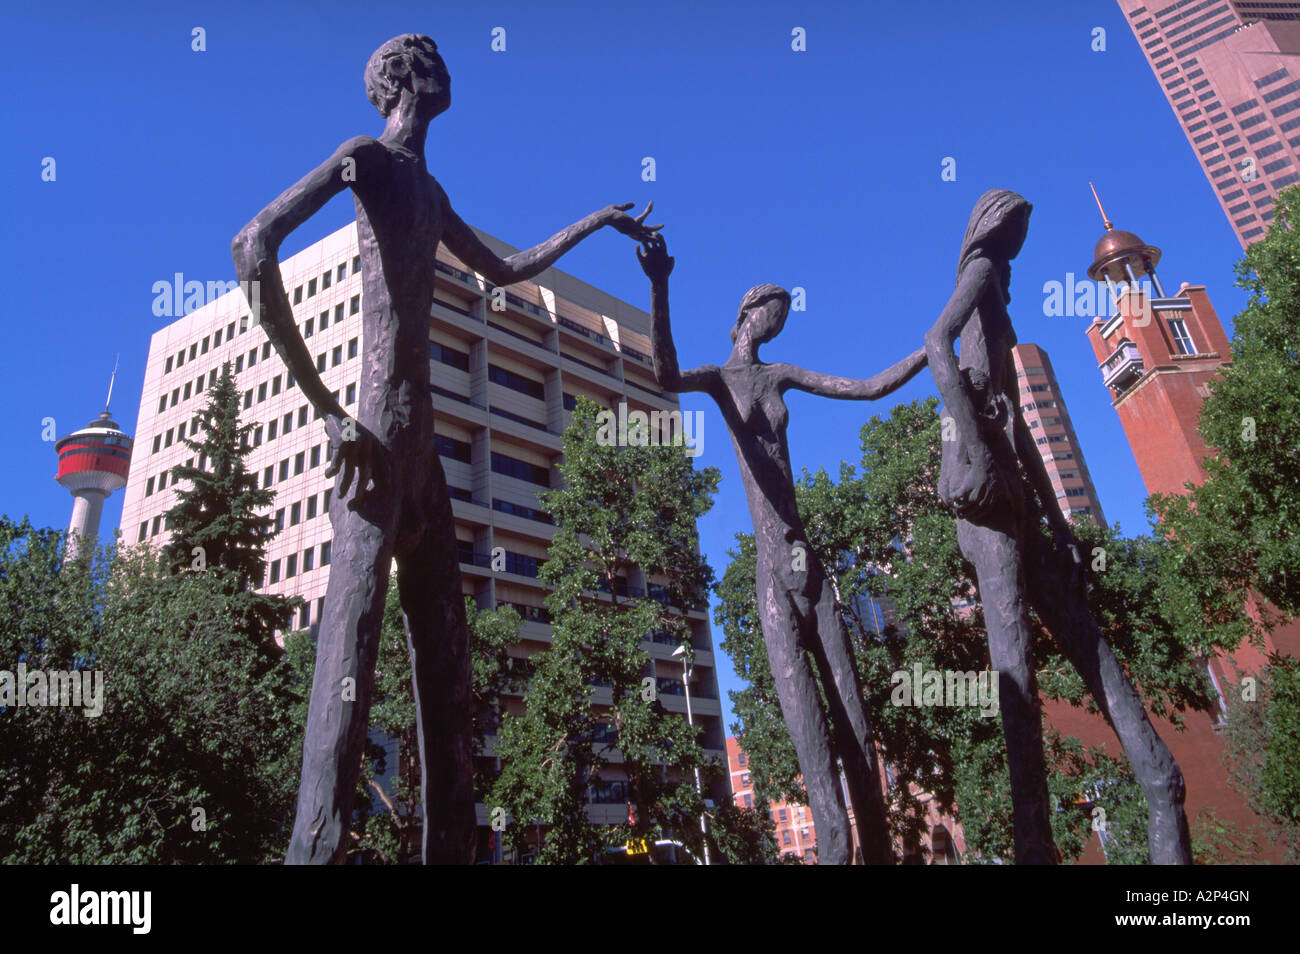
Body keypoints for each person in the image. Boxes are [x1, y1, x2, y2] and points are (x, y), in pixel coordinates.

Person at [232, 34, 660, 864]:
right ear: (403, 79)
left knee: (450, 672)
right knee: (344, 670)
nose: (446, 65)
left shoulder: (428, 188)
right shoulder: (370, 161)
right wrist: (324, 411)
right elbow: (253, 245)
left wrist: (599, 221)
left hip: (420, 445)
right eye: (429, 54)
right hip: (375, 440)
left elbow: (506, 269)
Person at [637, 234, 926, 864]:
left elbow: (867, 387)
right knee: (812, 742)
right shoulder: (721, 379)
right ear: (745, 317)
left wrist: (930, 349)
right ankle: (833, 851)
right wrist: (659, 283)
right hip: (773, 574)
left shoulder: (782, 374)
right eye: (770, 311)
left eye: (784, 315)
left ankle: (876, 850)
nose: (777, 321)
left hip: (809, 563)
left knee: (856, 723)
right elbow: (664, 373)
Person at [925, 188, 1191, 864]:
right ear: (991, 231)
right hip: (991, 510)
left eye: (1021, 232)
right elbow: (937, 345)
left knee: (1086, 644)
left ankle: (1161, 783)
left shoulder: (998, 293)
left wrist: (1063, 527)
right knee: (1017, 684)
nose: (1017, 242)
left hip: (1020, 501)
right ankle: (1037, 842)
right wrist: (976, 452)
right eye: (1012, 229)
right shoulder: (979, 275)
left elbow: (1021, 431)